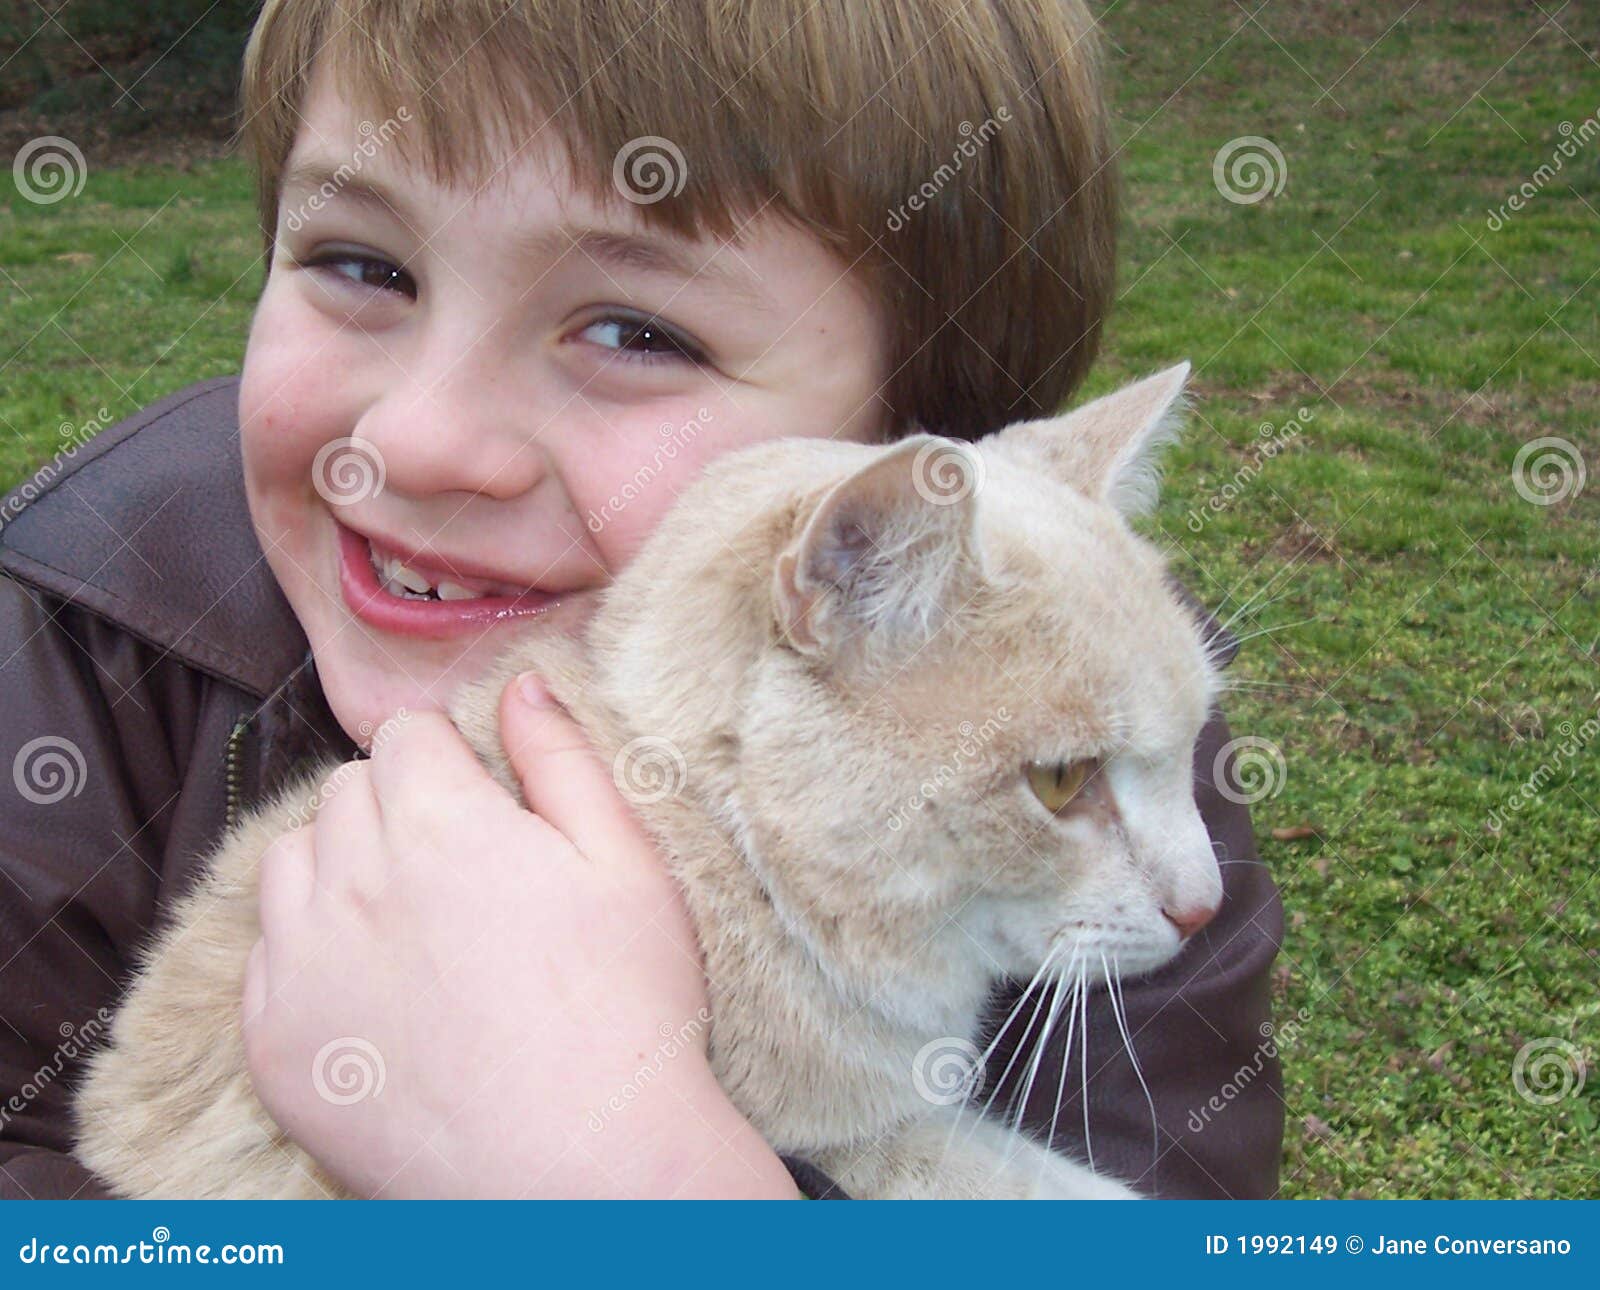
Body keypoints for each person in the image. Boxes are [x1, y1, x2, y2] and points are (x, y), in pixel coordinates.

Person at [0, 0, 1283, 1199]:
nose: (415, 442)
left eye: (635, 333)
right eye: (363, 265)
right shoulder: (82, 635)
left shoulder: (1092, 763)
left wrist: (633, 1177)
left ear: (901, 466)